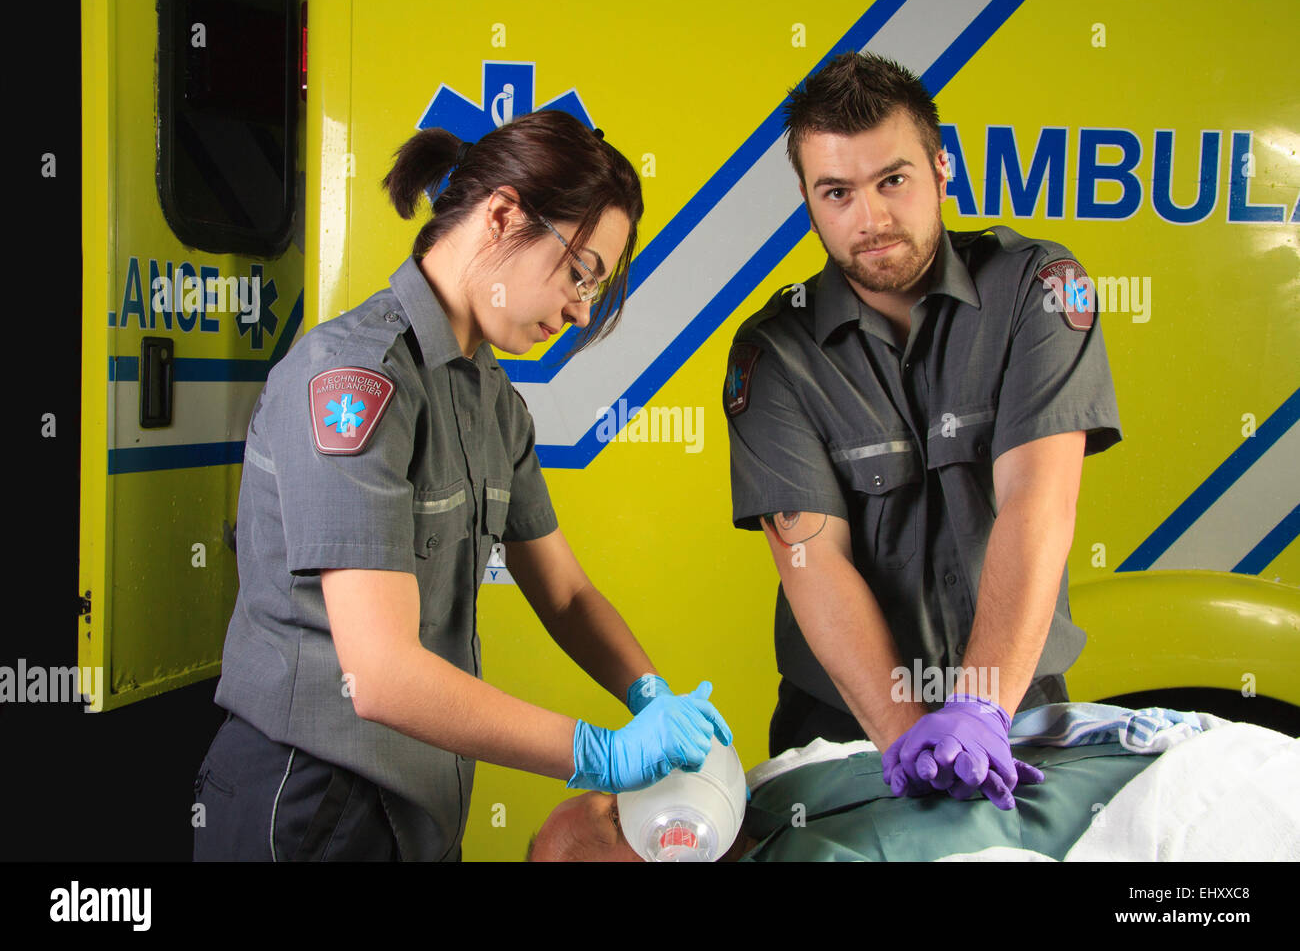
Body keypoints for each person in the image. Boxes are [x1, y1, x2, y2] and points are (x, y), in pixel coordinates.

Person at [194, 110, 732, 861]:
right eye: (581, 274)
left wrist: (652, 694)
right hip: (312, 801)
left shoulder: (492, 402)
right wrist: (598, 753)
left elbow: (567, 594)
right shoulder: (355, 381)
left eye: (595, 289)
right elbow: (381, 676)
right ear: (504, 214)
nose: (581, 310)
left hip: (418, 809)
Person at [722, 52, 1121, 811]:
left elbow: (1037, 503)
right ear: (807, 199)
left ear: (943, 170)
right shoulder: (773, 354)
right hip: (846, 730)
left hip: (1018, 712)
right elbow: (813, 561)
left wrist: (981, 710)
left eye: (892, 181)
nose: (870, 219)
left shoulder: (1037, 291)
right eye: (837, 192)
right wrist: (904, 737)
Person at [528, 703, 1300, 862]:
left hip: (1189, 745)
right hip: (1203, 827)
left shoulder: (773, 784)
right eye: (613, 820)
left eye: (607, 795)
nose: (639, 788)